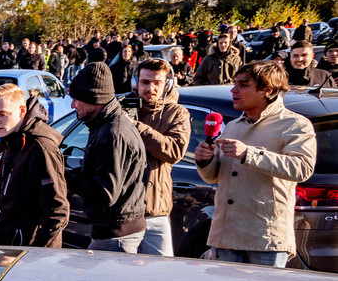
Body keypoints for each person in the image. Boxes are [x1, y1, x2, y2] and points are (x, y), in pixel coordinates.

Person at [194, 61, 317, 267]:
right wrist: (204, 160)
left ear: (267, 90)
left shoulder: (295, 124)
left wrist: (249, 153)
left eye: (243, 85)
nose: (234, 90)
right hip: (225, 235)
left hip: (265, 238)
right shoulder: (232, 125)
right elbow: (214, 177)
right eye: (234, 84)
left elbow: (302, 168)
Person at [70, 62, 147, 252]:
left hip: (116, 234)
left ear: (93, 98)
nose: (72, 105)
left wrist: (64, 177)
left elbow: (105, 193)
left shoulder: (113, 133)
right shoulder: (104, 124)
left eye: (76, 99)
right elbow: (101, 173)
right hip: (114, 229)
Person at [0, 83, 69, 247]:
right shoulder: (13, 139)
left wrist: (38, 254)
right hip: (6, 241)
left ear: (22, 111)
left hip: (26, 250)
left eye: (3, 114)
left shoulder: (41, 148)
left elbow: (57, 210)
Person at [132, 59, 191, 256]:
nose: (151, 88)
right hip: (123, 212)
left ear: (167, 84)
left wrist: (137, 127)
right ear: (136, 83)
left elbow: (174, 151)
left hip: (155, 212)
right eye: (145, 82)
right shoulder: (122, 108)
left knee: (161, 276)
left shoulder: (177, 113)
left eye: (157, 83)